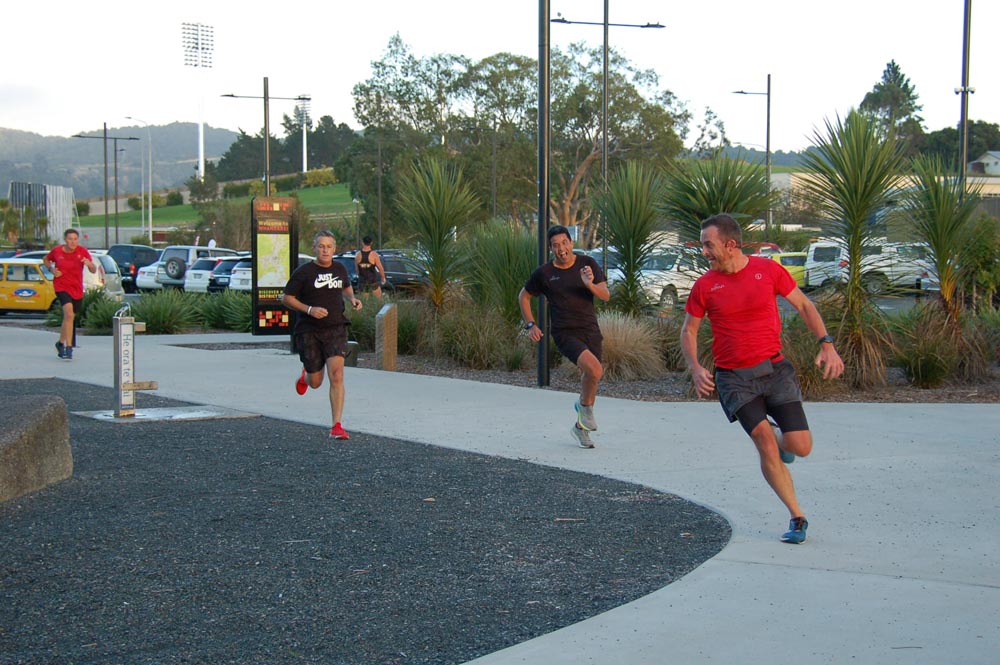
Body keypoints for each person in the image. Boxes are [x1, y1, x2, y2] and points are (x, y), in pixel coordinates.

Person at [680, 213, 844, 544]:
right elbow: (689, 329)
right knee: (763, 442)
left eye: (708, 246)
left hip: (774, 370)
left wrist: (826, 344)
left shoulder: (767, 271)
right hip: (734, 380)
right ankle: (797, 517)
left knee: (801, 447)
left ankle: (782, 438)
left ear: (730, 244)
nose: (704, 253)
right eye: (702, 246)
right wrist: (696, 367)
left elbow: (804, 306)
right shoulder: (706, 285)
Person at [518, 225, 610, 448]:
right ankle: (585, 409)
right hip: (564, 332)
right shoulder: (545, 273)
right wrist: (531, 324)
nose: (561, 249)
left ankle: (580, 427)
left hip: (590, 329)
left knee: (591, 376)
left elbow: (605, 295)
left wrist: (589, 284)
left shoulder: (587, 264)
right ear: (551, 248)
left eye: (564, 243)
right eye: (555, 245)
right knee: (595, 369)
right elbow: (524, 296)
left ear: (571, 242)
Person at [282, 231, 363, 440]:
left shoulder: (340, 268)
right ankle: (306, 375)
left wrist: (353, 299)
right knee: (316, 381)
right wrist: (309, 310)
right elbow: (286, 297)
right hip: (309, 330)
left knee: (336, 375)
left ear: (334, 249)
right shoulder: (304, 272)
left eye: (329, 246)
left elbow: (346, 287)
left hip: (336, 328)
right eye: (321, 246)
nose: (325, 250)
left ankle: (337, 425)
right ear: (315, 248)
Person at [45, 228, 97, 360]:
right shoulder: (57, 251)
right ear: (65, 240)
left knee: (69, 317)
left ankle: (60, 343)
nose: (72, 242)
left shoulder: (82, 251)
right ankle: (69, 347)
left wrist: (89, 264)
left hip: (76, 288)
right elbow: (46, 259)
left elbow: (93, 269)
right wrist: (52, 269)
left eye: (75, 239)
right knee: (68, 313)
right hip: (61, 286)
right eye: (70, 239)